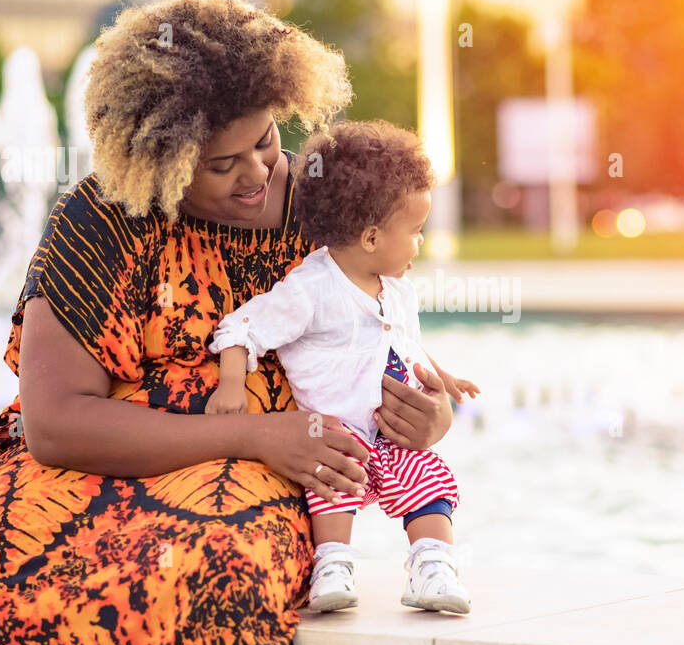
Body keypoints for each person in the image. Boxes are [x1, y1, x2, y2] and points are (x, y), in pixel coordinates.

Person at [0, 0, 456, 645]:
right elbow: (53, 425)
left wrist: (428, 415)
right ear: (160, 160)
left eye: (266, 141)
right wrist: (250, 431)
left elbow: (389, 333)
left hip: (258, 476)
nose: (258, 174)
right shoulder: (100, 220)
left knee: (215, 577)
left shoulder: (327, 204)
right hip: (85, 466)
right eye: (221, 163)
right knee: (11, 587)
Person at [205, 120, 480, 615]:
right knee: (331, 493)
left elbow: (406, 343)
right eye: (415, 233)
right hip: (332, 435)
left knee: (431, 484)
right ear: (372, 237)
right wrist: (230, 385)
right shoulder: (312, 289)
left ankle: (433, 564)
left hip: (390, 435)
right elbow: (243, 327)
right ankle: (333, 564)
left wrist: (447, 380)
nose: (420, 245)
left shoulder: (396, 288)